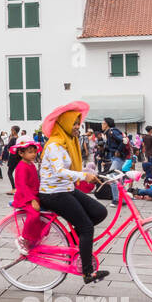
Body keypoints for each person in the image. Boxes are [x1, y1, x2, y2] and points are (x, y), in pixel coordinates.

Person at [38, 101, 109, 284]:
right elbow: (59, 171)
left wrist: (93, 174)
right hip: (53, 194)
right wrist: (83, 176)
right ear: (64, 124)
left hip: (66, 189)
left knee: (100, 212)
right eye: (74, 123)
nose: (77, 127)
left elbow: (72, 169)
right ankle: (88, 272)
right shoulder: (55, 144)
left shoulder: (68, 143)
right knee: (87, 227)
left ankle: (73, 239)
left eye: (78, 123)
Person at [10, 137, 45, 253]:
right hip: (24, 198)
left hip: (34, 195)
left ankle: (34, 239)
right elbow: (22, 186)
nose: (34, 154)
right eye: (30, 152)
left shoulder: (31, 165)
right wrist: (32, 200)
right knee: (34, 215)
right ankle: (23, 239)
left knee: (46, 218)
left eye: (35, 151)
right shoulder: (21, 167)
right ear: (21, 153)